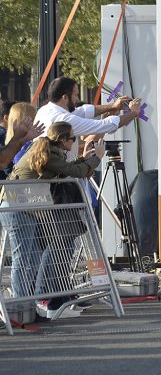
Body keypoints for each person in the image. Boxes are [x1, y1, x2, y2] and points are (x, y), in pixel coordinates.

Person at [11, 121, 104, 319]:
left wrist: (83, 158)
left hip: (27, 208)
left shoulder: (51, 152)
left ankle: (30, 309)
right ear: (62, 140)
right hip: (18, 208)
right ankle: (21, 310)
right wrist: (96, 158)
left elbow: (67, 168)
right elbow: (74, 172)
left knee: (33, 258)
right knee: (25, 261)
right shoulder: (49, 154)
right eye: (72, 139)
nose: (74, 142)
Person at [35, 76, 138, 140]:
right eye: (76, 95)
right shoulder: (63, 120)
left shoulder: (45, 110)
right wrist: (133, 113)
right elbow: (104, 125)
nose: (78, 99)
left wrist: (113, 106)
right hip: (57, 174)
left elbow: (84, 111)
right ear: (65, 97)